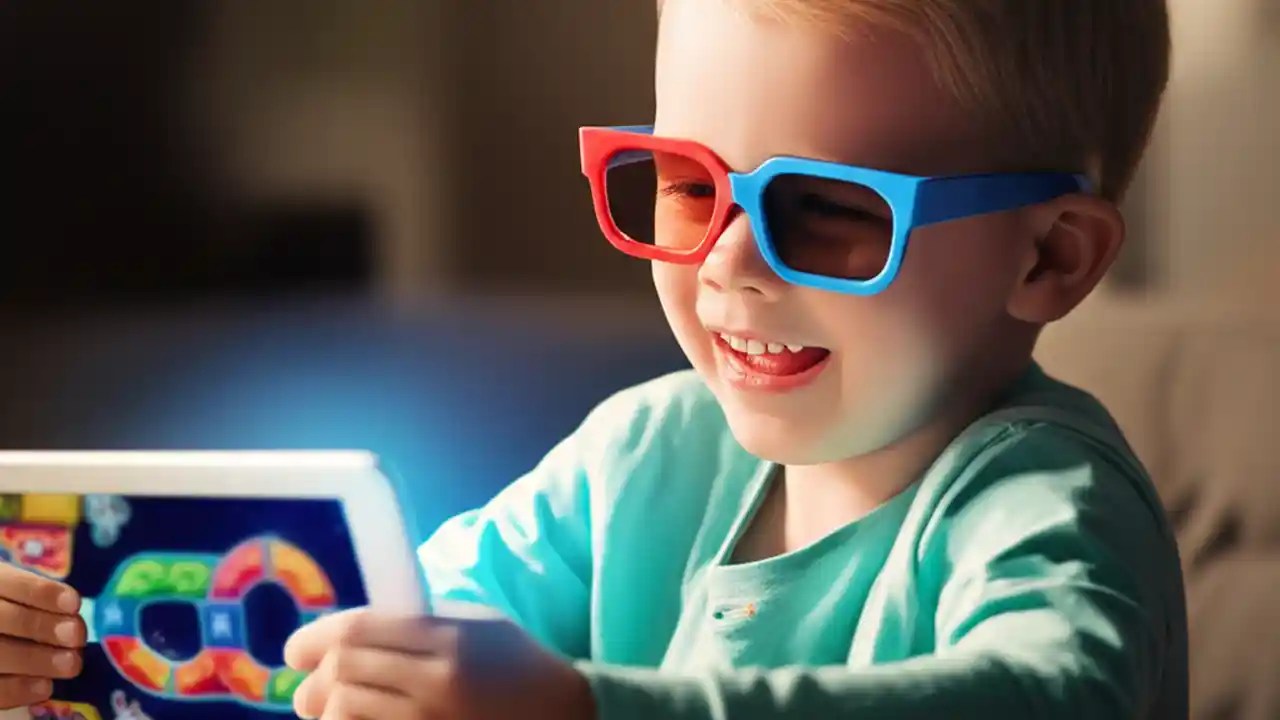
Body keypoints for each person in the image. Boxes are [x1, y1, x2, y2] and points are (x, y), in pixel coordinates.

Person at [3, 1, 1187, 718]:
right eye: (683, 185)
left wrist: (586, 710)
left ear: (1046, 259)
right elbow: (383, 634)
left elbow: (1038, 699)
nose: (726, 266)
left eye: (826, 210)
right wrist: (72, 645)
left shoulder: (1042, 502)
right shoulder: (644, 453)